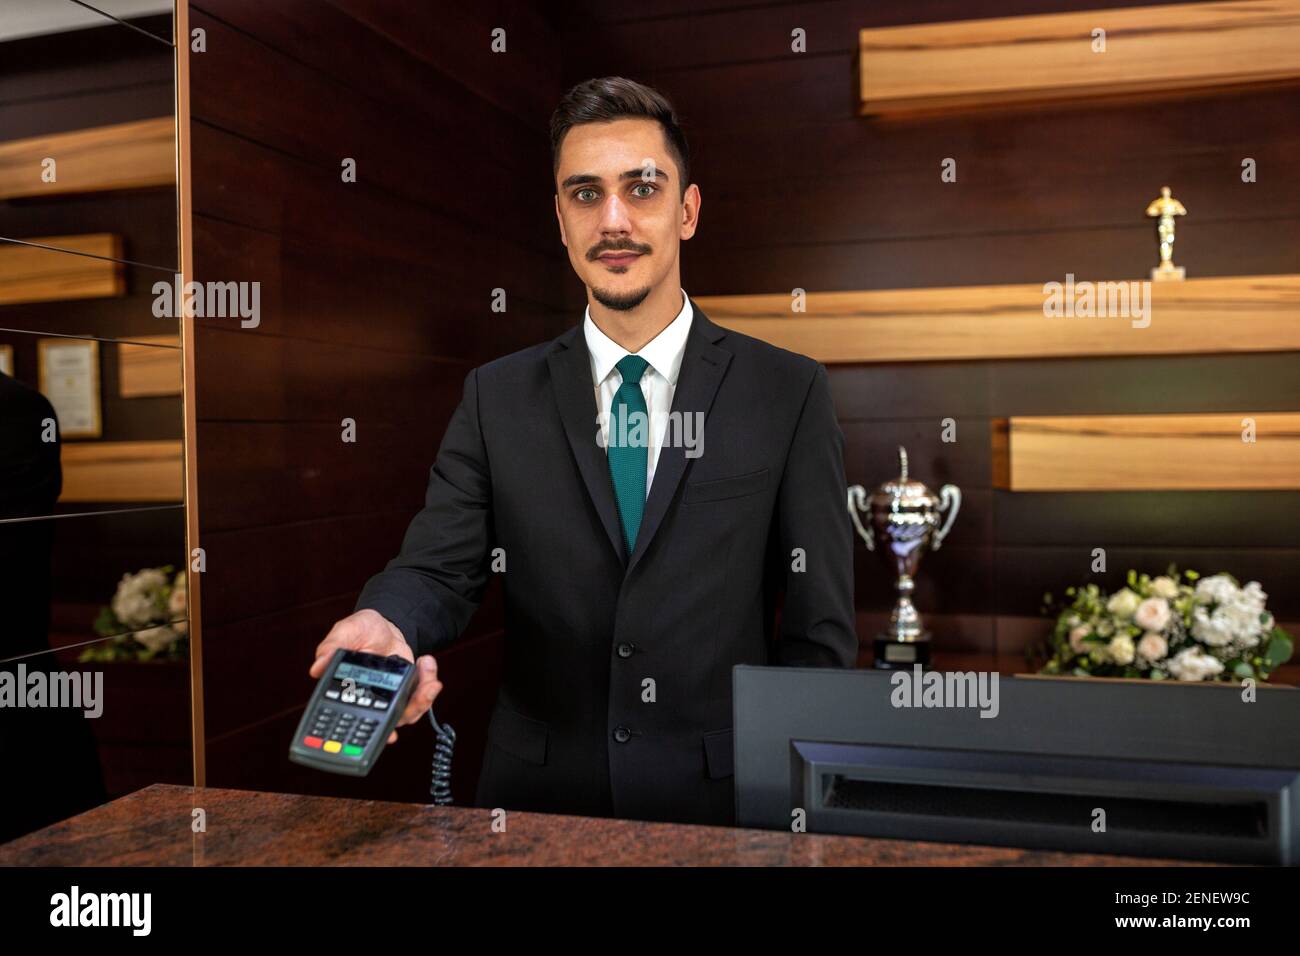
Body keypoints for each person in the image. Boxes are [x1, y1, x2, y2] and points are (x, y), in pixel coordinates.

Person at [310, 76, 856, 826]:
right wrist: (387, 624)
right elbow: (438, 567)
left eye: (642, 188)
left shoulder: (787, 392)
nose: (615, 220)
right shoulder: (494, 397)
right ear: (561, 222)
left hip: (727, 812)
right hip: (535, 808)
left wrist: (795, 817)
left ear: (687, 210)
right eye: (586, 194)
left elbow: (819, 639)